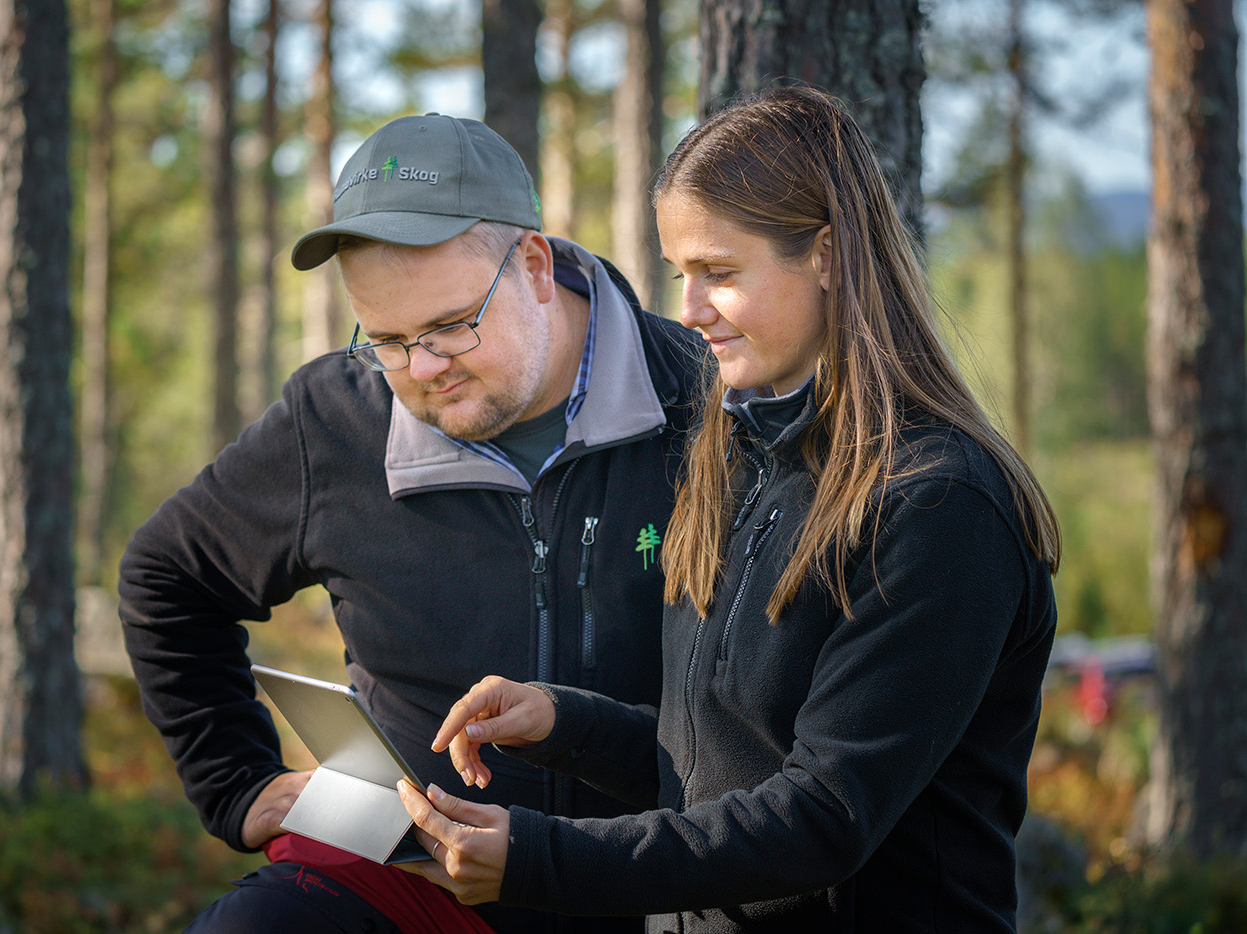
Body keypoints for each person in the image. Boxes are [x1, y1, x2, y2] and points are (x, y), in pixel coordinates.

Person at [396, 86, 1062, 933]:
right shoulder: (743, 461)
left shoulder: (939, 505)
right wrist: (565, 722)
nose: (689, 310)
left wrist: (541, 859)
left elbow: (823, 817)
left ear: (826, 255)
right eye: (682, 274)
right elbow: (719, 771)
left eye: (720, 273)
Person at [118, 113, 703, 934]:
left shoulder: (704, 399)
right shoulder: (336, 418)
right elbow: (167, 577)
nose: (420, 370)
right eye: (387, 339)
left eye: (449, 325)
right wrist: (236, 782)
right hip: (410, 876)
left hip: (656, 883)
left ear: (535, 266)